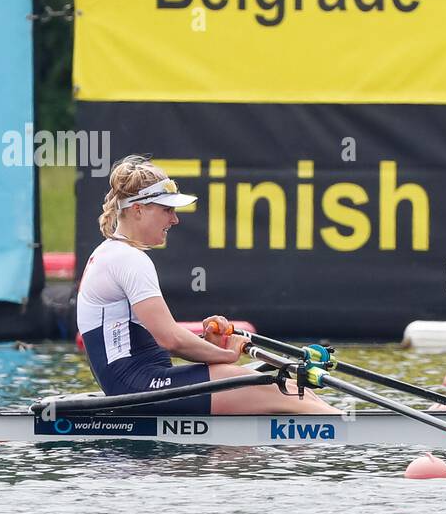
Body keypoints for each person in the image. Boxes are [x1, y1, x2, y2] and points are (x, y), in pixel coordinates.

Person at [77, 154, 336, 415]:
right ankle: (351, 441)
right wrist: (227, 355)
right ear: (138, 209)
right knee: (295, 398)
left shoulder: (110, 253)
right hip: (139, 388)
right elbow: (170, 340)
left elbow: (145, 343)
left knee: (296, 388)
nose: (175, 220)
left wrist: (209, 344)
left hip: (140, 384)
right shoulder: (128, 259)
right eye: (167, 210)